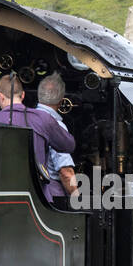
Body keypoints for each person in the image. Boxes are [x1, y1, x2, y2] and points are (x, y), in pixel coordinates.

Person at [0, 74, 75, 203]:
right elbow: (68, 145)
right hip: (38, 199)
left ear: (0, 96)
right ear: (23, 95)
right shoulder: (43, 119)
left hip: (0, 198)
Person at [35, 73, 79, 206]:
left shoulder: (28, 119)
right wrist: (78, 200)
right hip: (52, 197)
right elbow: (65, 172)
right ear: (61, 100)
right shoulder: (56, 126)